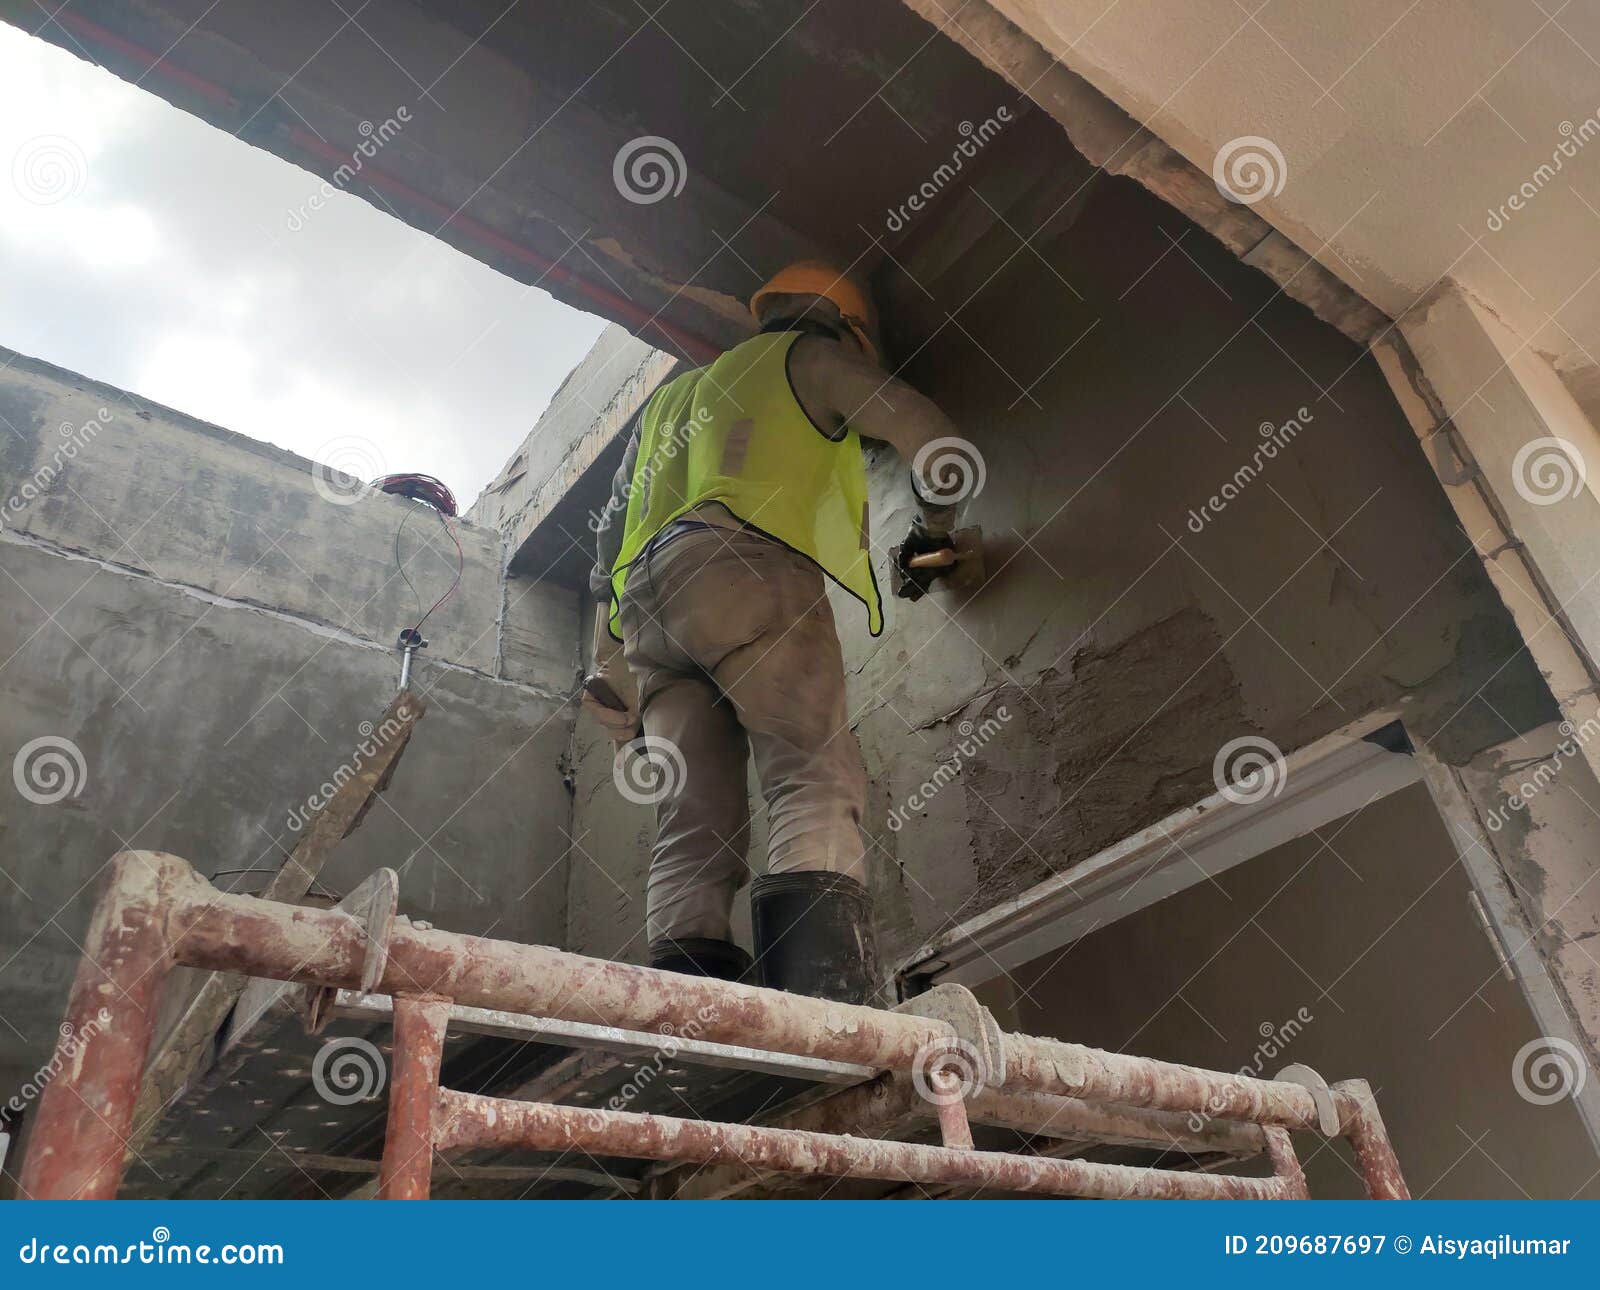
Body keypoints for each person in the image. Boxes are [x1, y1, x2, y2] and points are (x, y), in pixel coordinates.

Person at [584, 261, 968, 1003]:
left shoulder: (670, 402)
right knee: (811, 777)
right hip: (747, 572)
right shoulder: (813, 357)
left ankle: (687, 1028)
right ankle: (822, 1005)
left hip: (649, 618)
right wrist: (931, 532)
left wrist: (611, 663)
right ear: (847, 326)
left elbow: (605, 547)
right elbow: (937, 443)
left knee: (693, 823)